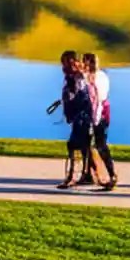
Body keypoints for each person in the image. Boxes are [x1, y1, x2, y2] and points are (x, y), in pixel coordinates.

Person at [57, 50, 95, 189]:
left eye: (67, 62)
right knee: (84, 146)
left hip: (82, 116)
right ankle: (86, 174)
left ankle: (72, 175)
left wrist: (72, 111)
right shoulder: (72, 77)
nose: (64, 66)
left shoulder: (78, 77)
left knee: (74, 145)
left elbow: (81, 98)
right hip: (78, 116)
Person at [83, 52, 117, 191]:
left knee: (100, 143)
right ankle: (90, 173)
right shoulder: (91, 76)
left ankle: (111, 174)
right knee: (85, 143)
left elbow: (97, 97)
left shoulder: (97, 77)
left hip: (99, 111)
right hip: (92, 111)